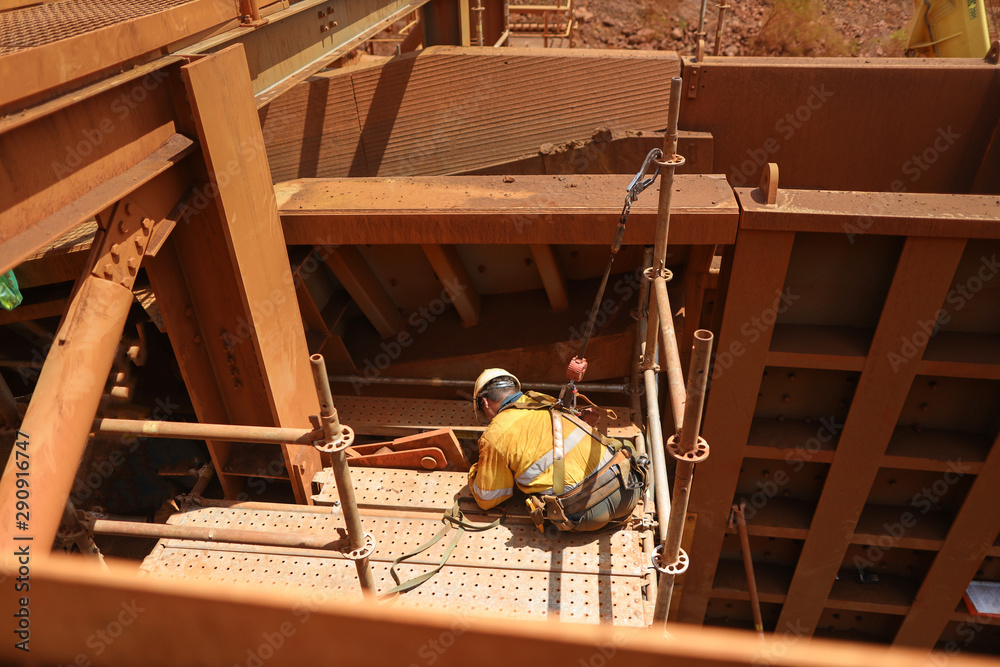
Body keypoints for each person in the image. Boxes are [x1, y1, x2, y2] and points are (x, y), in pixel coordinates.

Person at [467, 368, 648, 532]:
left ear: (485, 402)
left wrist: (476, 470)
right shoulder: (540, 399)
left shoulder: (494, 434)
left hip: (587, 514)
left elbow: (488, 498)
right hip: (629, 485)